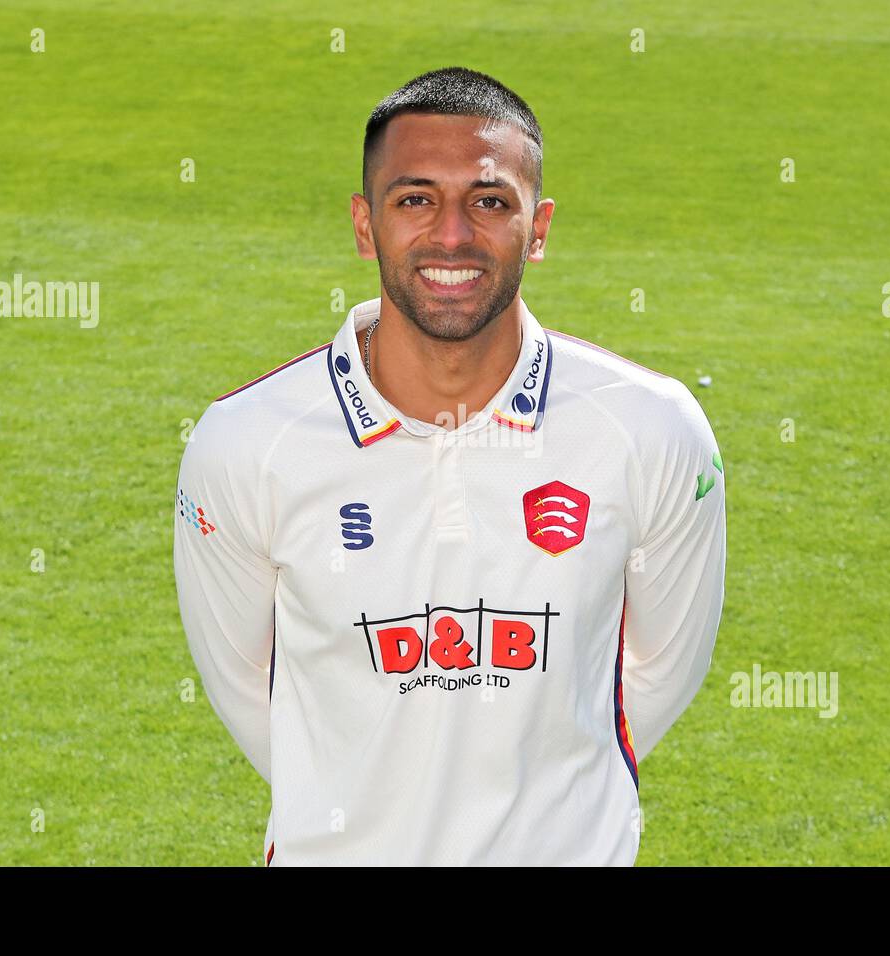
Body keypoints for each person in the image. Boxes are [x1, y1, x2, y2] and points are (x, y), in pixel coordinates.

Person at [174, 66, 726, 865]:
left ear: (538, 227)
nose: (453, 235)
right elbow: (248, 691)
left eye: (490, 201)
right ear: (366, 226)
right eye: (415, 199)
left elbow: (658, 677)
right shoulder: (246, 442)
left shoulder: (652, 429)